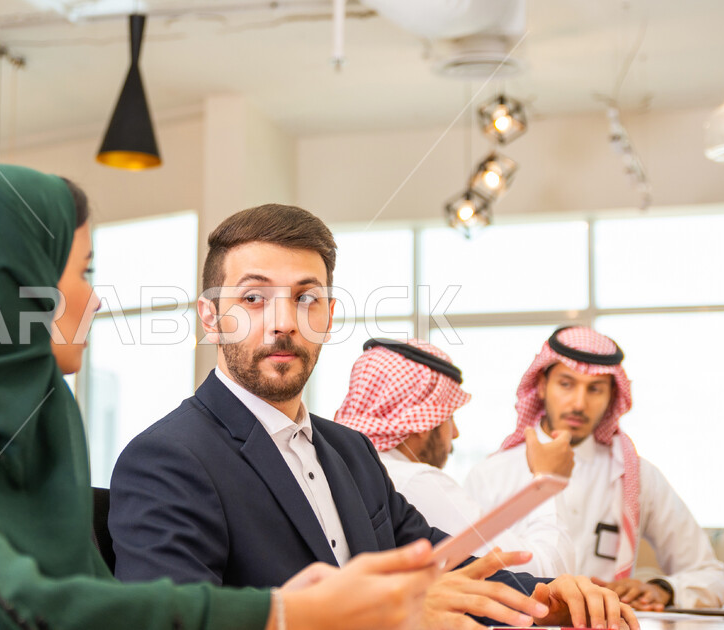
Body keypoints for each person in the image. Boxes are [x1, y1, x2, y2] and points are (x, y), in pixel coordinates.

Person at [0, 161, 462, 630]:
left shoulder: (40, 424)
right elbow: (3, 604)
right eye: (81, 272)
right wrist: (291, 614)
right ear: (11, 285)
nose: (96, 299)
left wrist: (537, 594)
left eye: (307, 298)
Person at [109, 204, 640, 630]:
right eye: (253, 297)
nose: (285, 322)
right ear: (210, 317)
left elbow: (442, 568)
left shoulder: (350, 452)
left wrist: (549, 601)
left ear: (329, 316)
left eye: (307, 299)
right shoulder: (166, 458)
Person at [465, 326, 724, 610]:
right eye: (566, 384)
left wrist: (661, 589)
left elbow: (711, 578)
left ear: (612, 395)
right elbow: (462, 579)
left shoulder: (637, 476)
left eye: (594, 389)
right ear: (541, 386)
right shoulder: (490, 475)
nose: (579, 403)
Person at [334, 337, 576, 577]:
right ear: (421, 420)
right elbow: (546, 573)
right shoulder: (415, 480)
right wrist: (548, 480)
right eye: (449, 418)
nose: (456, 433)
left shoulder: (340, 468)